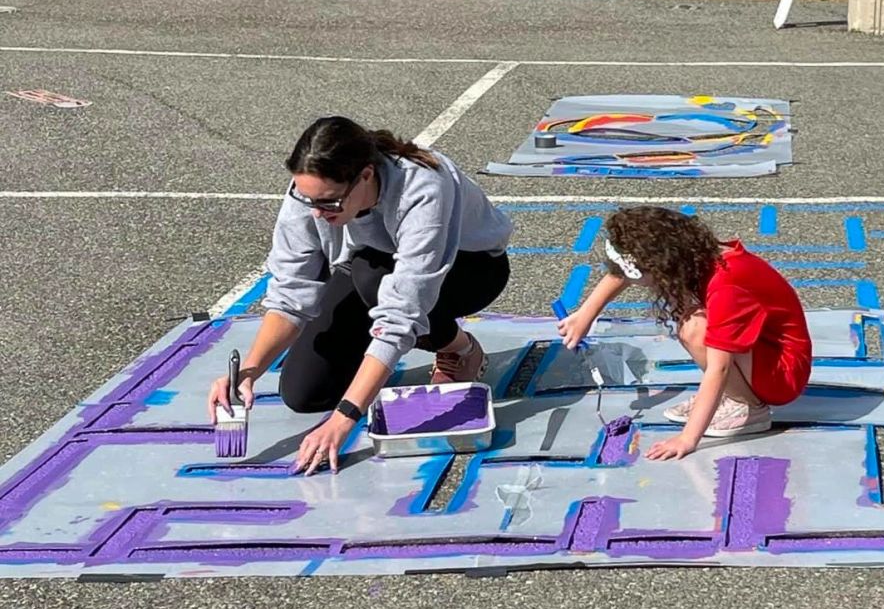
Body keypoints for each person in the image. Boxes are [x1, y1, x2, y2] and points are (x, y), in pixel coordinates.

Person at [207, 116, 513, 474]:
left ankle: (459, 348)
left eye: (329, 203)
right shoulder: (310, 195)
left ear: (365, 176)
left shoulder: (423, 184)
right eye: (308, 200)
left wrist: (345, 418)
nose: (317, 213)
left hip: (470, 269)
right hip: (370, 264)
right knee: (305, 394)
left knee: (373, 279)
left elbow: (402, 313)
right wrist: (250, 369)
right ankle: (383, 353)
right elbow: (291, 292)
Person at [557, 206, 812, 461]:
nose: (636, 283)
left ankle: (748, 407)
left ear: (660, 266)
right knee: (692, 323)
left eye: (640, 278)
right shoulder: (695, 254)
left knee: (695, 330)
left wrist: (688, 438)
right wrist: (585, 316)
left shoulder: (726, 285)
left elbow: (719, 368)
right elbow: (622, 273)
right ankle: (735, 394)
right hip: (766, 351)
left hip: (783, 373)